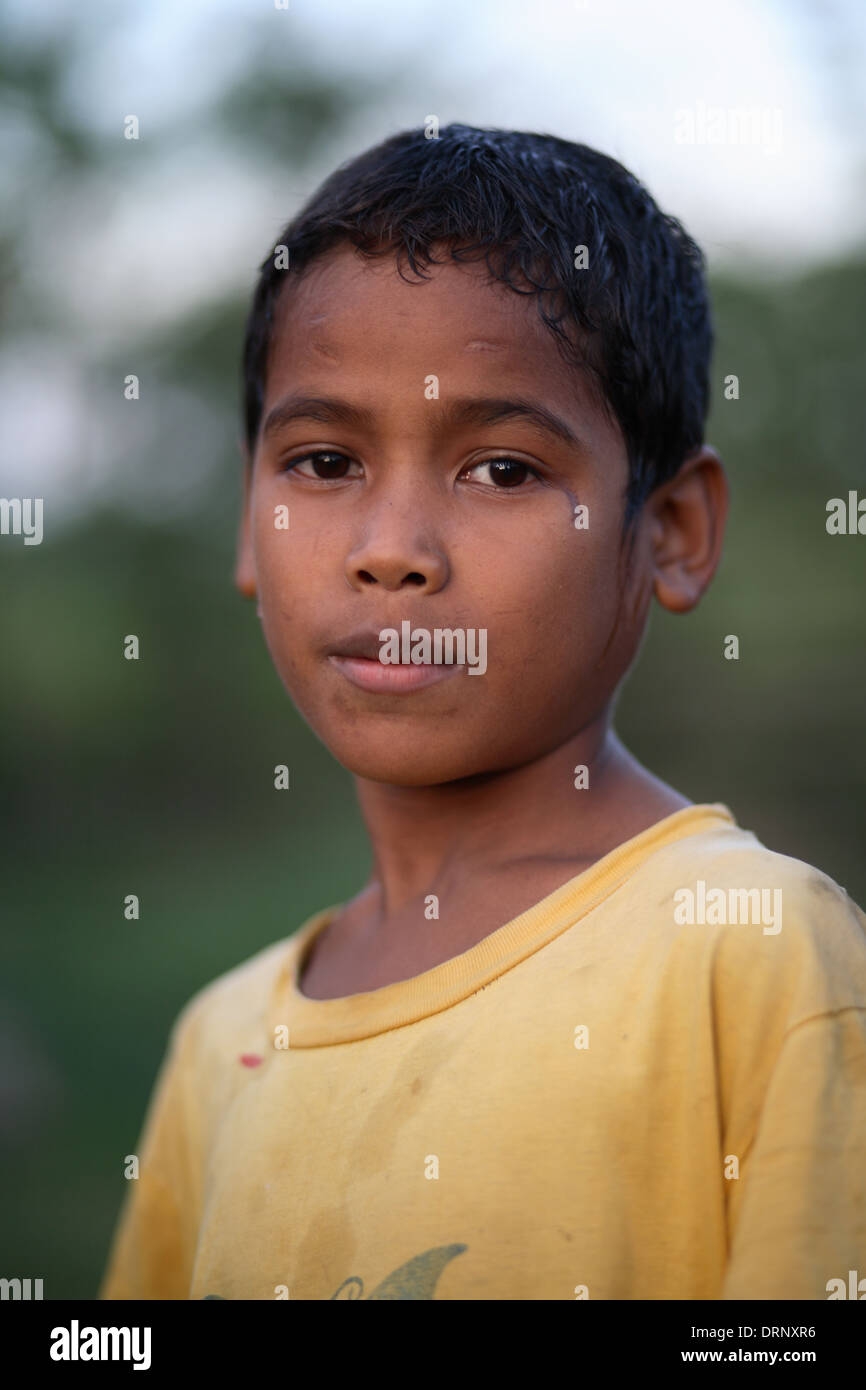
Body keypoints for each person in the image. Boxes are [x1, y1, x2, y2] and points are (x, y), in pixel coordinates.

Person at [100, 123, 866, 1301]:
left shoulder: (751, 953)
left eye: (501, 470)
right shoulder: (220, 1044)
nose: (390, 552)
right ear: (248, 522)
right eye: (320, 462)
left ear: (669, 533)